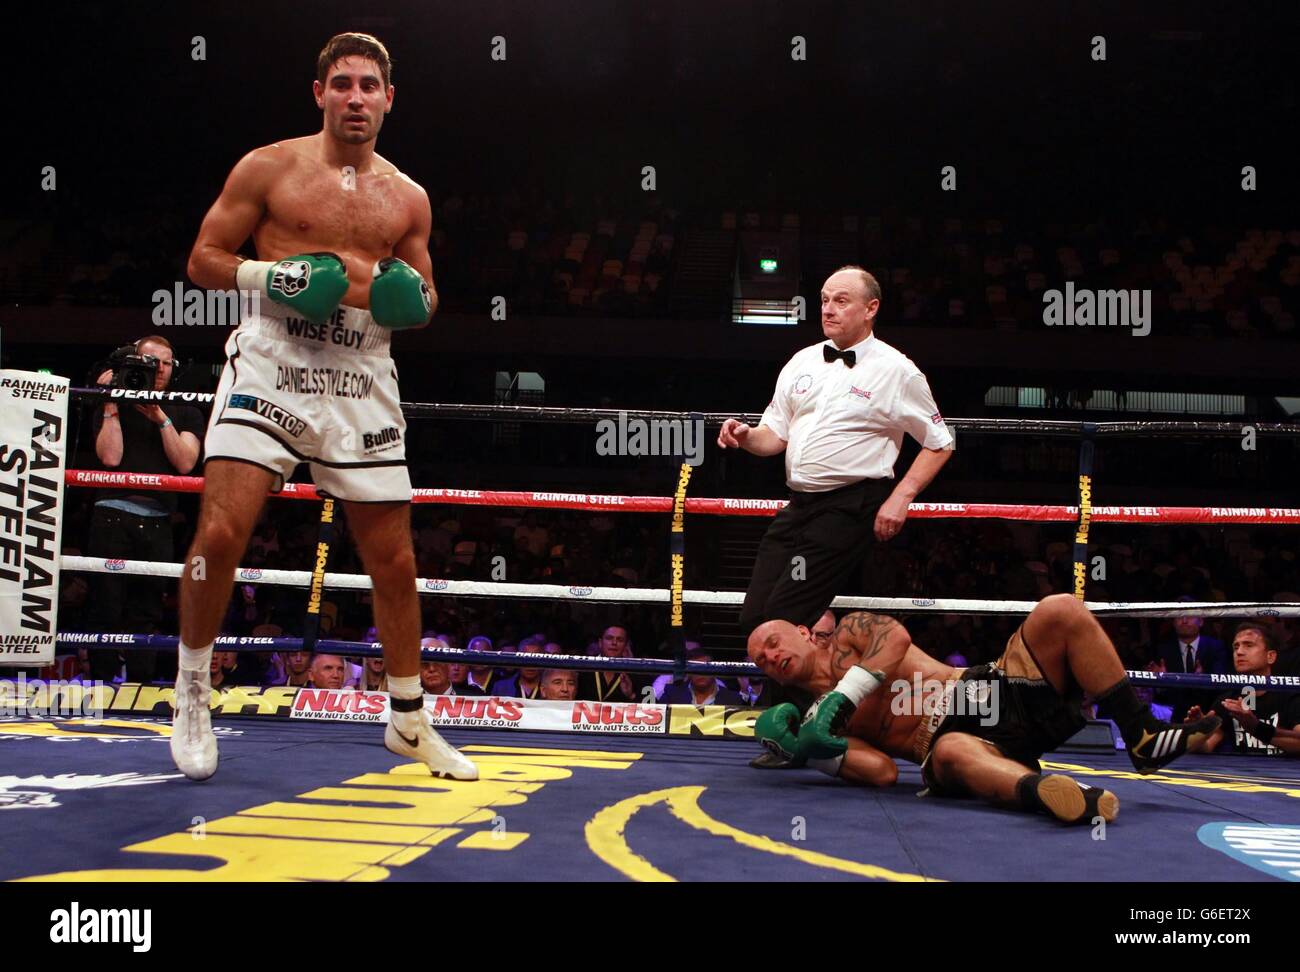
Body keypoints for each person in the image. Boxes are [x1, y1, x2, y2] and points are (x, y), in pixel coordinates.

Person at [170, 32, 474, 782]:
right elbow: (203, 259)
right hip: (273, 357)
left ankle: (407, 719)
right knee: (222, 527)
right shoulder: (269, 166)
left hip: (360, 368)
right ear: (319, 93)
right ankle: (193, 690)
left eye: (370, 85)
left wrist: (415, 301)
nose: (356, 97)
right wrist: (271, 277)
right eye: (342, 83)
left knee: (395, 558)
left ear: (389, 98)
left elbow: (426, 298)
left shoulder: (407, 196)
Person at [749, 595, 1220, 825]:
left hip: (987, 690)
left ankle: (1142, 737)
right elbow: (882, 774)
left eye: (772, 642)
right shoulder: (819, 723)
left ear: (803, 631)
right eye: (761, 661)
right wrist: (814, 751)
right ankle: (1048, 794)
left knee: (1060, 610)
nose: (770, 656)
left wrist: (842, 695)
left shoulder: (852, 628)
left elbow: (896, 640)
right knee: (950, 749)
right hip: (953, 747)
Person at [719, 266, 953, 706]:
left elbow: (940, 443)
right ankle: (825, 708)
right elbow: (774, 435)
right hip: (798, 505)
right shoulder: (802, 361)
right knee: (756, 615)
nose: (828, 309)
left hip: (850, 507)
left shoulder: (897, 371)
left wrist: (900, 497)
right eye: (825, 299)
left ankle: (784, 723)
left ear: (871, 308)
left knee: (785, 613)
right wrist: (746, 436)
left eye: (841, 300)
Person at [87, 335, 205, 684]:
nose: (159, 369)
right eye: (151, 362)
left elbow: (185, 463)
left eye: (166, 362)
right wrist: (110, 402)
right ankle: (103, 684)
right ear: (134, 362)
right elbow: (110, 459)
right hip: (111, 515)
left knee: (148, 610)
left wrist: (161, 418)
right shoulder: (113, 402)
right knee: (105, 606)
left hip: (157, 521)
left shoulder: (186, 408)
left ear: (174, 367)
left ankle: (140, 686)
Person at [1186, 622, 1300, 757]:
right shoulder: (1228, 701)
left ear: (1271, 656)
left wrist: (1256, 727)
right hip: (1243, 775)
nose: (1239, 652)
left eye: (1249, 645)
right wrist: (1197, 732)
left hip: (1285, 775)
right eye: (1236, 647)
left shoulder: (1290, 696)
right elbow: (1205, 747)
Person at [578, 625, 646, 702]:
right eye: (609, 638)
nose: (614, 643)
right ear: (600, 643)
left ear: (626, 645)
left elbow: (653, 708)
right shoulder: (584, 666)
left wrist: (631, 695)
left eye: (620, 640)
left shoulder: (637, 673)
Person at [657, 650, 745, 706]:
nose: (701, 673)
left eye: (705, 668)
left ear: (714, 670)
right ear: (688, 672)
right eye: (696, 667)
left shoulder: (732, 699)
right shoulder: (671, 694)